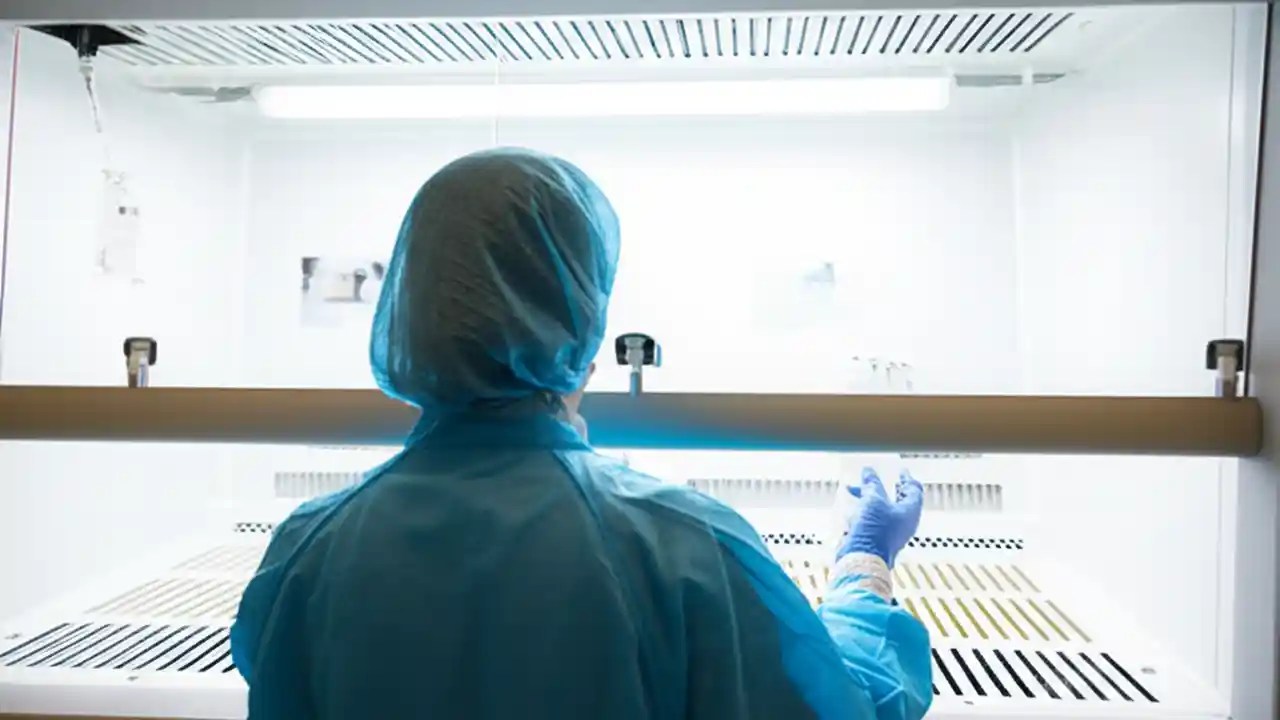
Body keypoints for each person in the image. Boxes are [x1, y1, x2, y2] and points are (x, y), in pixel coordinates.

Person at [231, 148, 932, 719]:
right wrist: (863, 564)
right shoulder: (681, 547)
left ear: (405, 312)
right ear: (581, 325)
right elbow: (845, 709)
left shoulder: (308, 548)